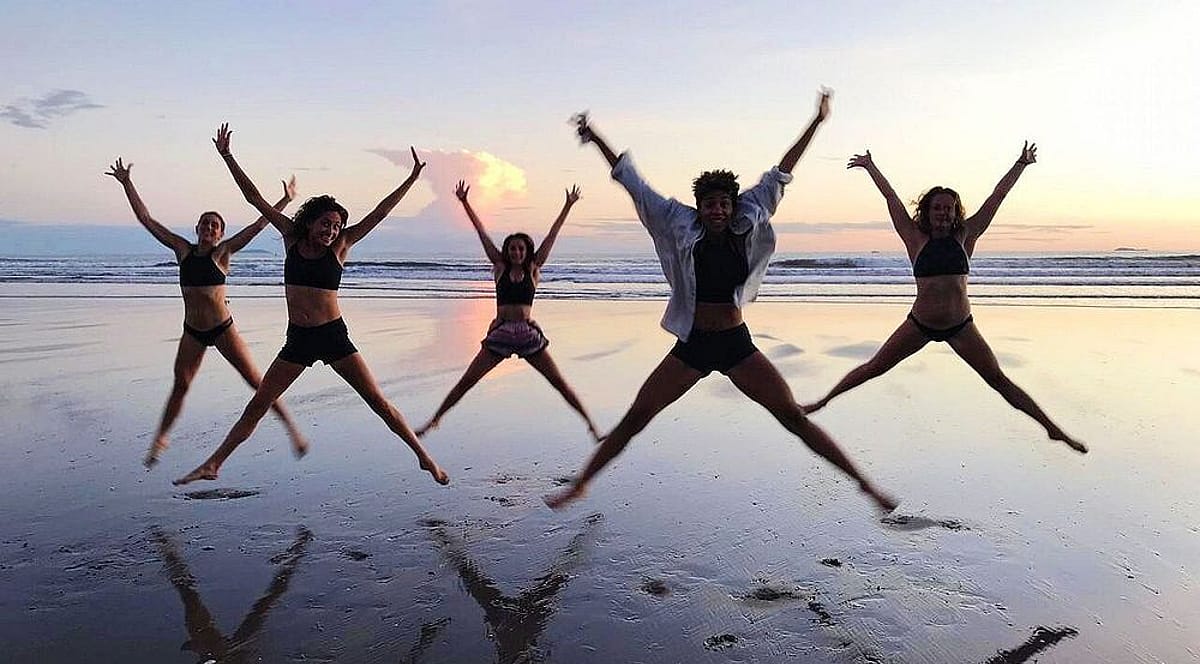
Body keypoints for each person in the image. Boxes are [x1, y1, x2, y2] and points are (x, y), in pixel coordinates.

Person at [546, 92, 896, 512]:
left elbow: (784, 169)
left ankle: (864, 485)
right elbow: (631, 179)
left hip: (735, 345)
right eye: (709, 204)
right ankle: (581, 484)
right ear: (700, 206)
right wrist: (594, 136)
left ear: (733, 206)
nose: (717, 210)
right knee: (636, 418)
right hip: (692, 346)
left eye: (723, 204)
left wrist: (818, 121)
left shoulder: (750, 214)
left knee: (793, 418)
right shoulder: (676, 219)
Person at [174, 124, 448, 486]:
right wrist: (228, 156)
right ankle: (214, 464)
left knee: (378, 402)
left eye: (336, 226)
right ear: (312, 220)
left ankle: (424, 457)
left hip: (334, 337)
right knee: (259, 404)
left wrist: (411, 179)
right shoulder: (290, 237)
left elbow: (380, 213)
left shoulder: (341, 246)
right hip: (298, 340)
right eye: (326, 223)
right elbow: (254, 199)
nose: (331, 231)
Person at [801, 144, 1087, 454]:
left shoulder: (967, 234)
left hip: (961, 326)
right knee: (874, 367)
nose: (943, 212)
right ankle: (822, 401)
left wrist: (1021, 163)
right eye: (937, 207)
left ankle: (1053, 430)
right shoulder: (914, 237)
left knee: (999, 380)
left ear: (955, 212)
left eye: (948, 208)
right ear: (927, 210)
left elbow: (997, 197)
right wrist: (871, 167)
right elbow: (891, 198)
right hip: (920, 324)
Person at [105, 158, 308, 467]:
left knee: (257, 382)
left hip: (223, 329)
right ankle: (160, 439)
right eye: (205, 224)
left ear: (220, 232)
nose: (209, 228)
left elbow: (258, 225)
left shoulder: (223, 253)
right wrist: (127, 183)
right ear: (197, 229)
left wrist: (285, 200)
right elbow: (146, 219)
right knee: (181, 385)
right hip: (193, 332)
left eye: (215, 225)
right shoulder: (182, 250)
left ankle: (292, 430)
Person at [415, 181, 602, 441]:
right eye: (512, 248)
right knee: (467, 381)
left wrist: (568, 205)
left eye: (521, 248)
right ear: (507, 250)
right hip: (501, 334)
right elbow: (482, 234)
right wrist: (465, 203)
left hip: (528, 334)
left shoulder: (534, 269)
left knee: (558, 382)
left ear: (527, 251)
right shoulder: (500, 267)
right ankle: (434, 421)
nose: (516, 252)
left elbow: (551, 236)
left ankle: (591, 424)